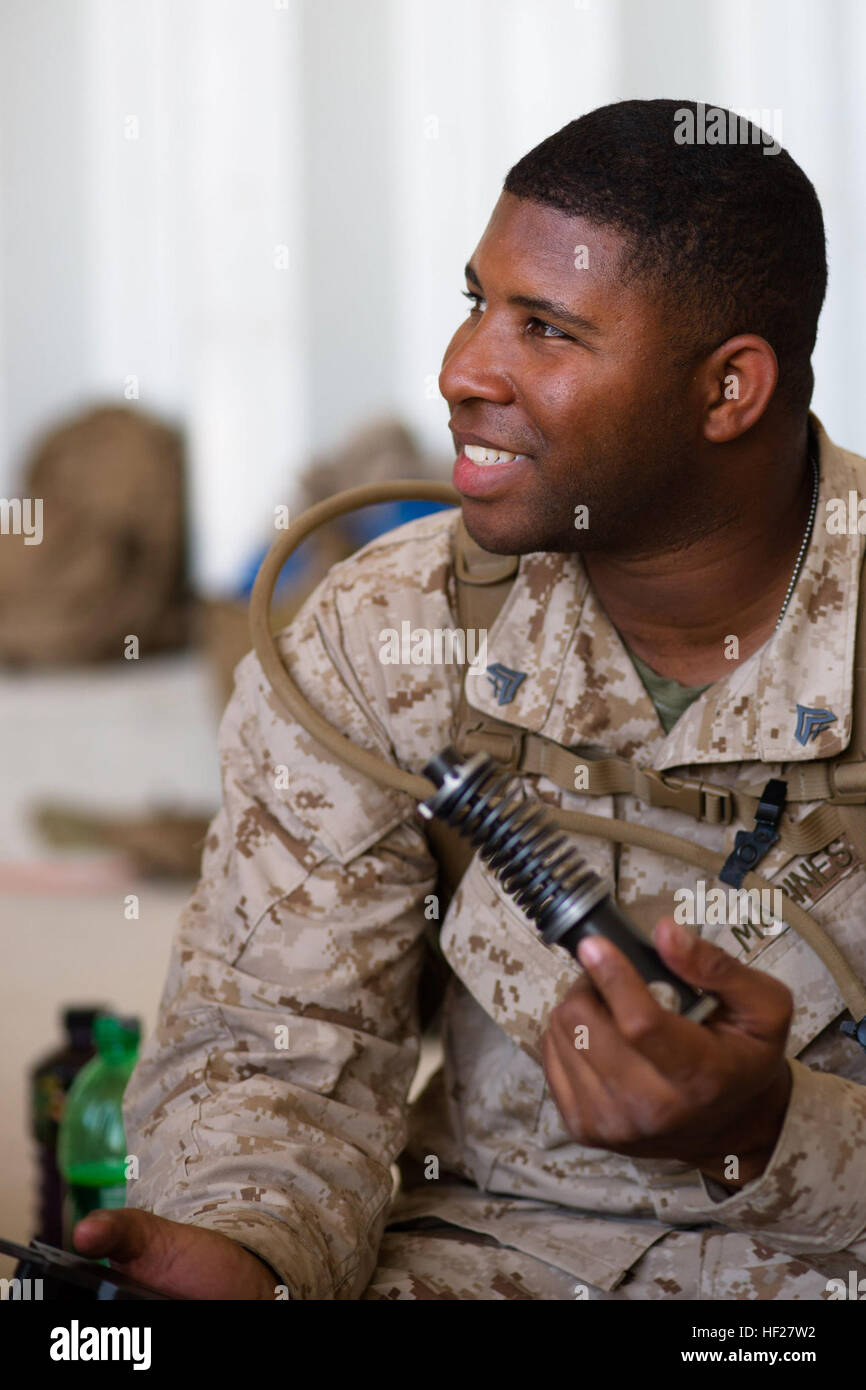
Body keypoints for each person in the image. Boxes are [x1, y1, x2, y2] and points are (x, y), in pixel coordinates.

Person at [73, 99, 866, 1299]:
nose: (460, 372)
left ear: (726, 390)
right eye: (473, 303)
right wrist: (246, 1252)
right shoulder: (386, 628)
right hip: (489, 1259)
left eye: (543, 328)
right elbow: (277, 1054)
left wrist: (771, 1135)